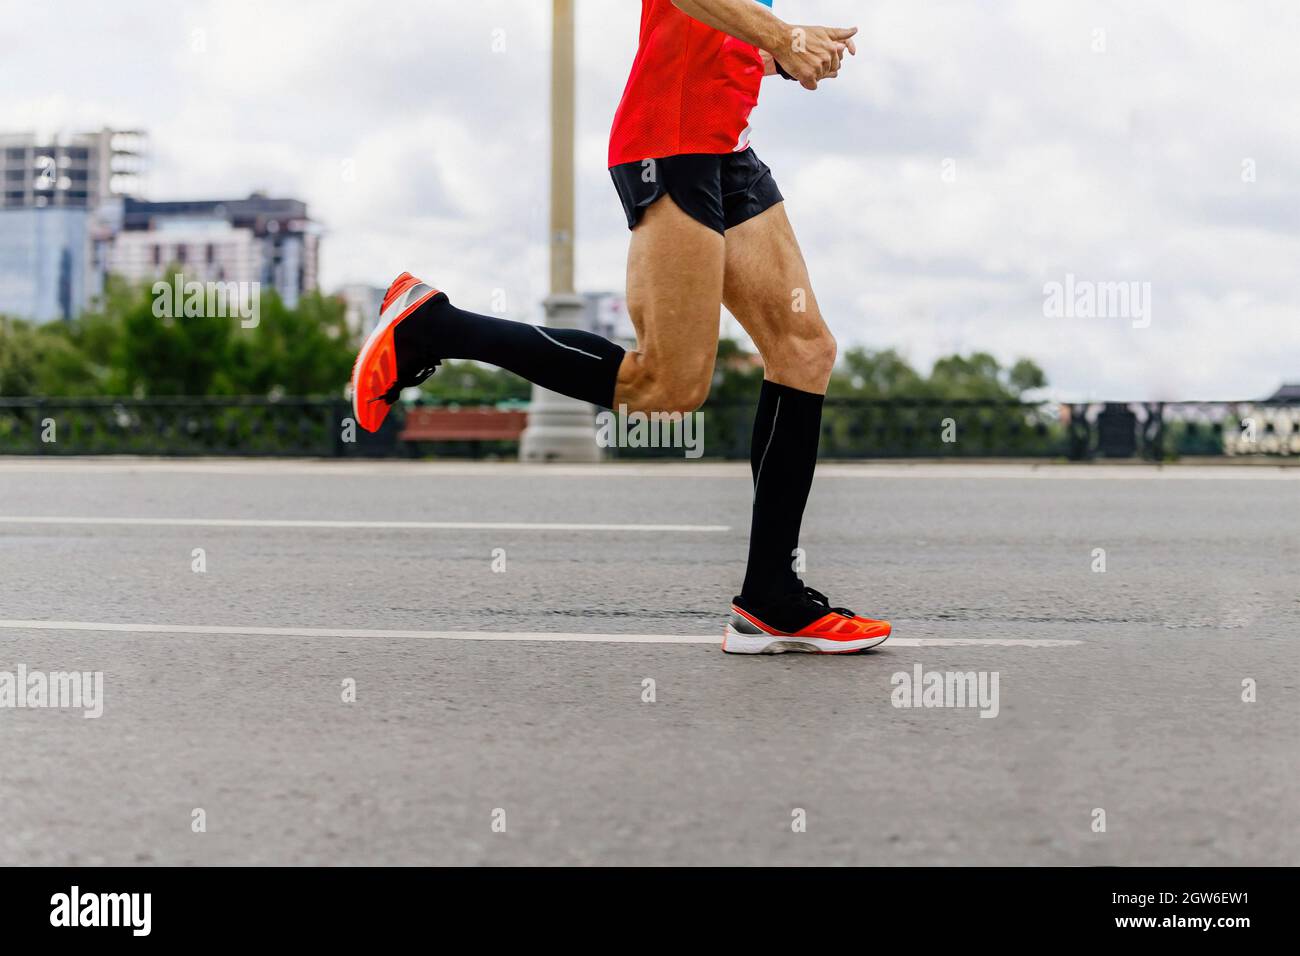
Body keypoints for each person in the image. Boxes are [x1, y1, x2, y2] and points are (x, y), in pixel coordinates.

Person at [350, 0, 890, 654]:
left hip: (726, 140)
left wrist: (778, 53)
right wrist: (783, 34)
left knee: (804, 349)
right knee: (665, 386)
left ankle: (771, 597)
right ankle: (434, 327)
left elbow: (713, 29)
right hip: (672, 141)